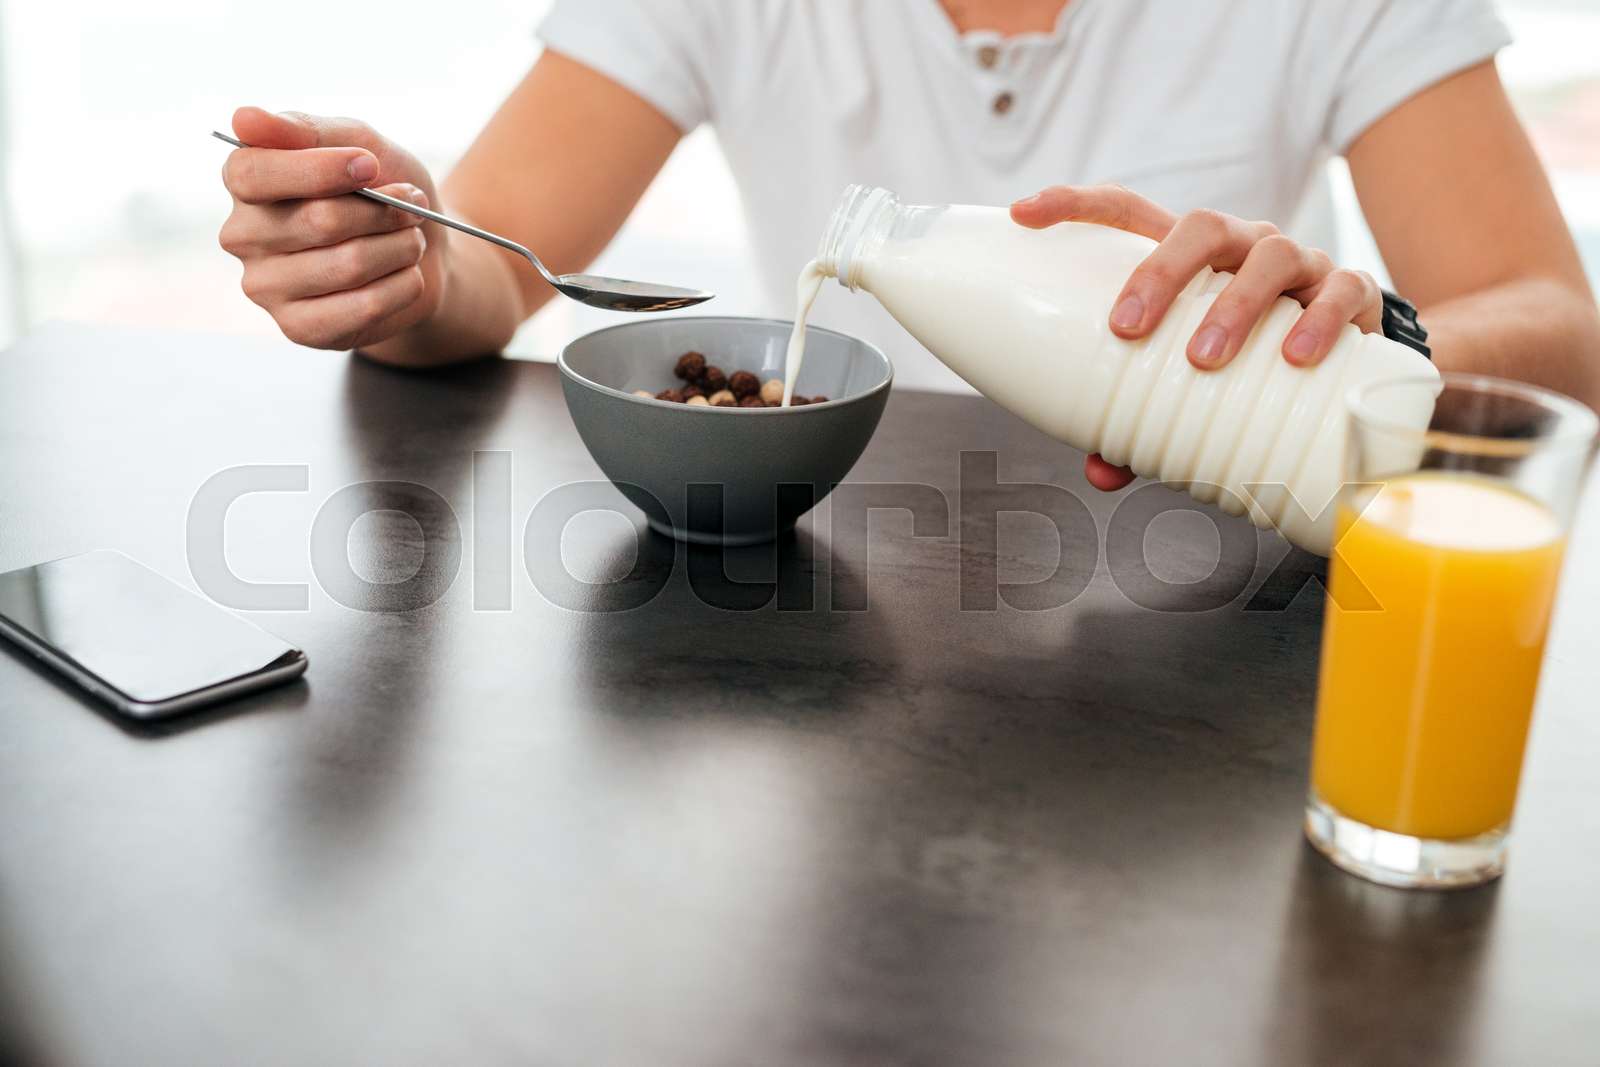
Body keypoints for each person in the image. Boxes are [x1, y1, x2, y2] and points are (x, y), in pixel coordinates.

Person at [217, 0, 1599, 492]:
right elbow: (491, 272)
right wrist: (390, 248)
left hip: (1228, 597)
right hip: (833, 617)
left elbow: (1557, 333)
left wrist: (1372, 344)